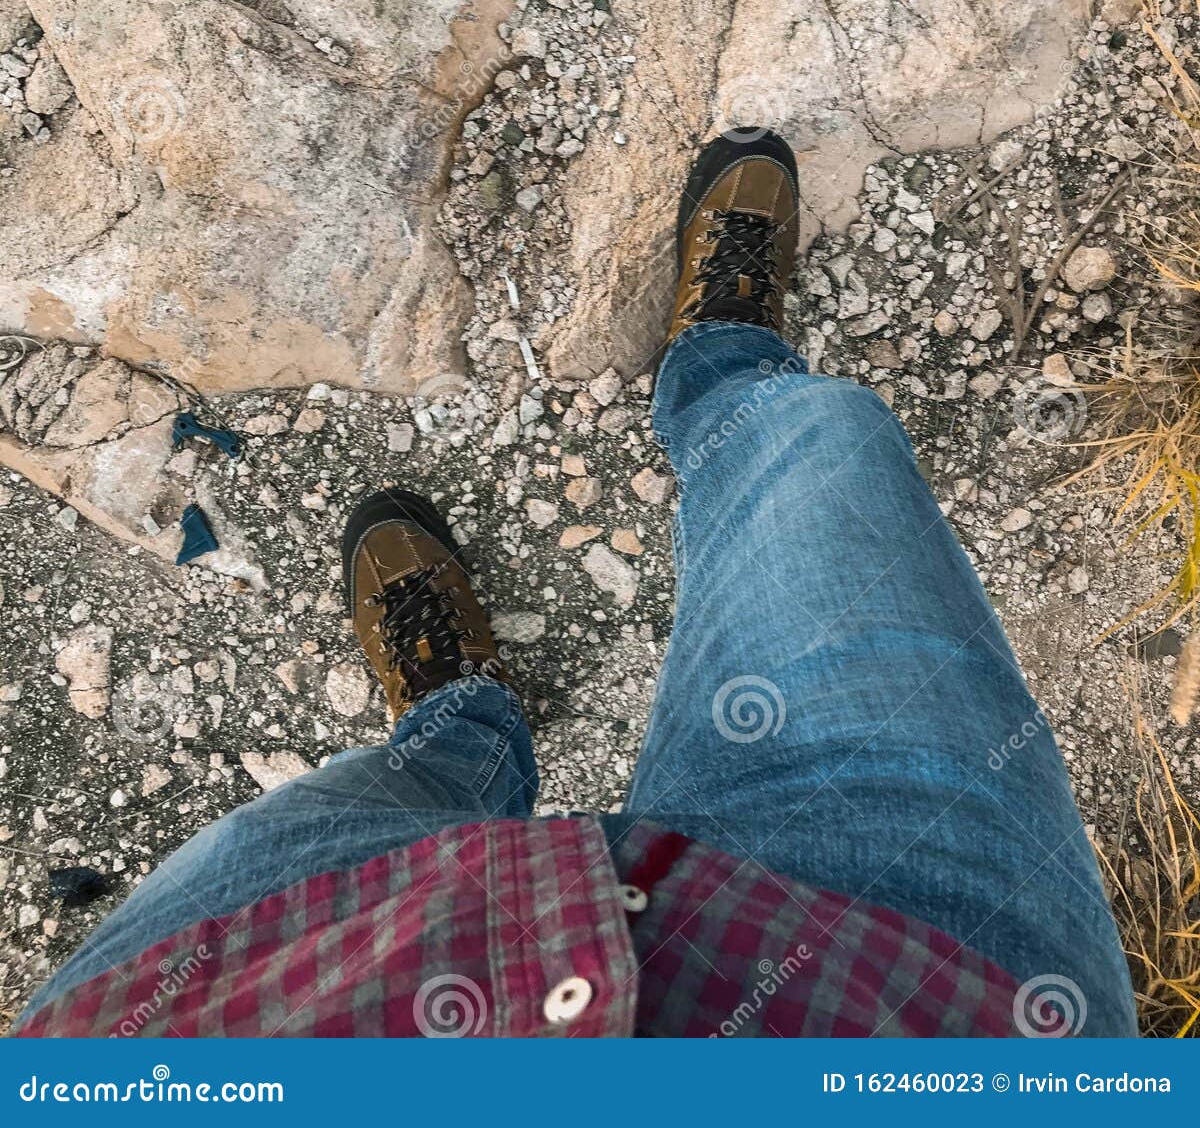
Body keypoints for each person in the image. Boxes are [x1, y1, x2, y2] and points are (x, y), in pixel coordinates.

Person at [15, 132, 1136, 1038]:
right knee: (824, 443)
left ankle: (462, 717)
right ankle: (730, 368)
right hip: (920, 985)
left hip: (255, 988)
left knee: (394, 792)